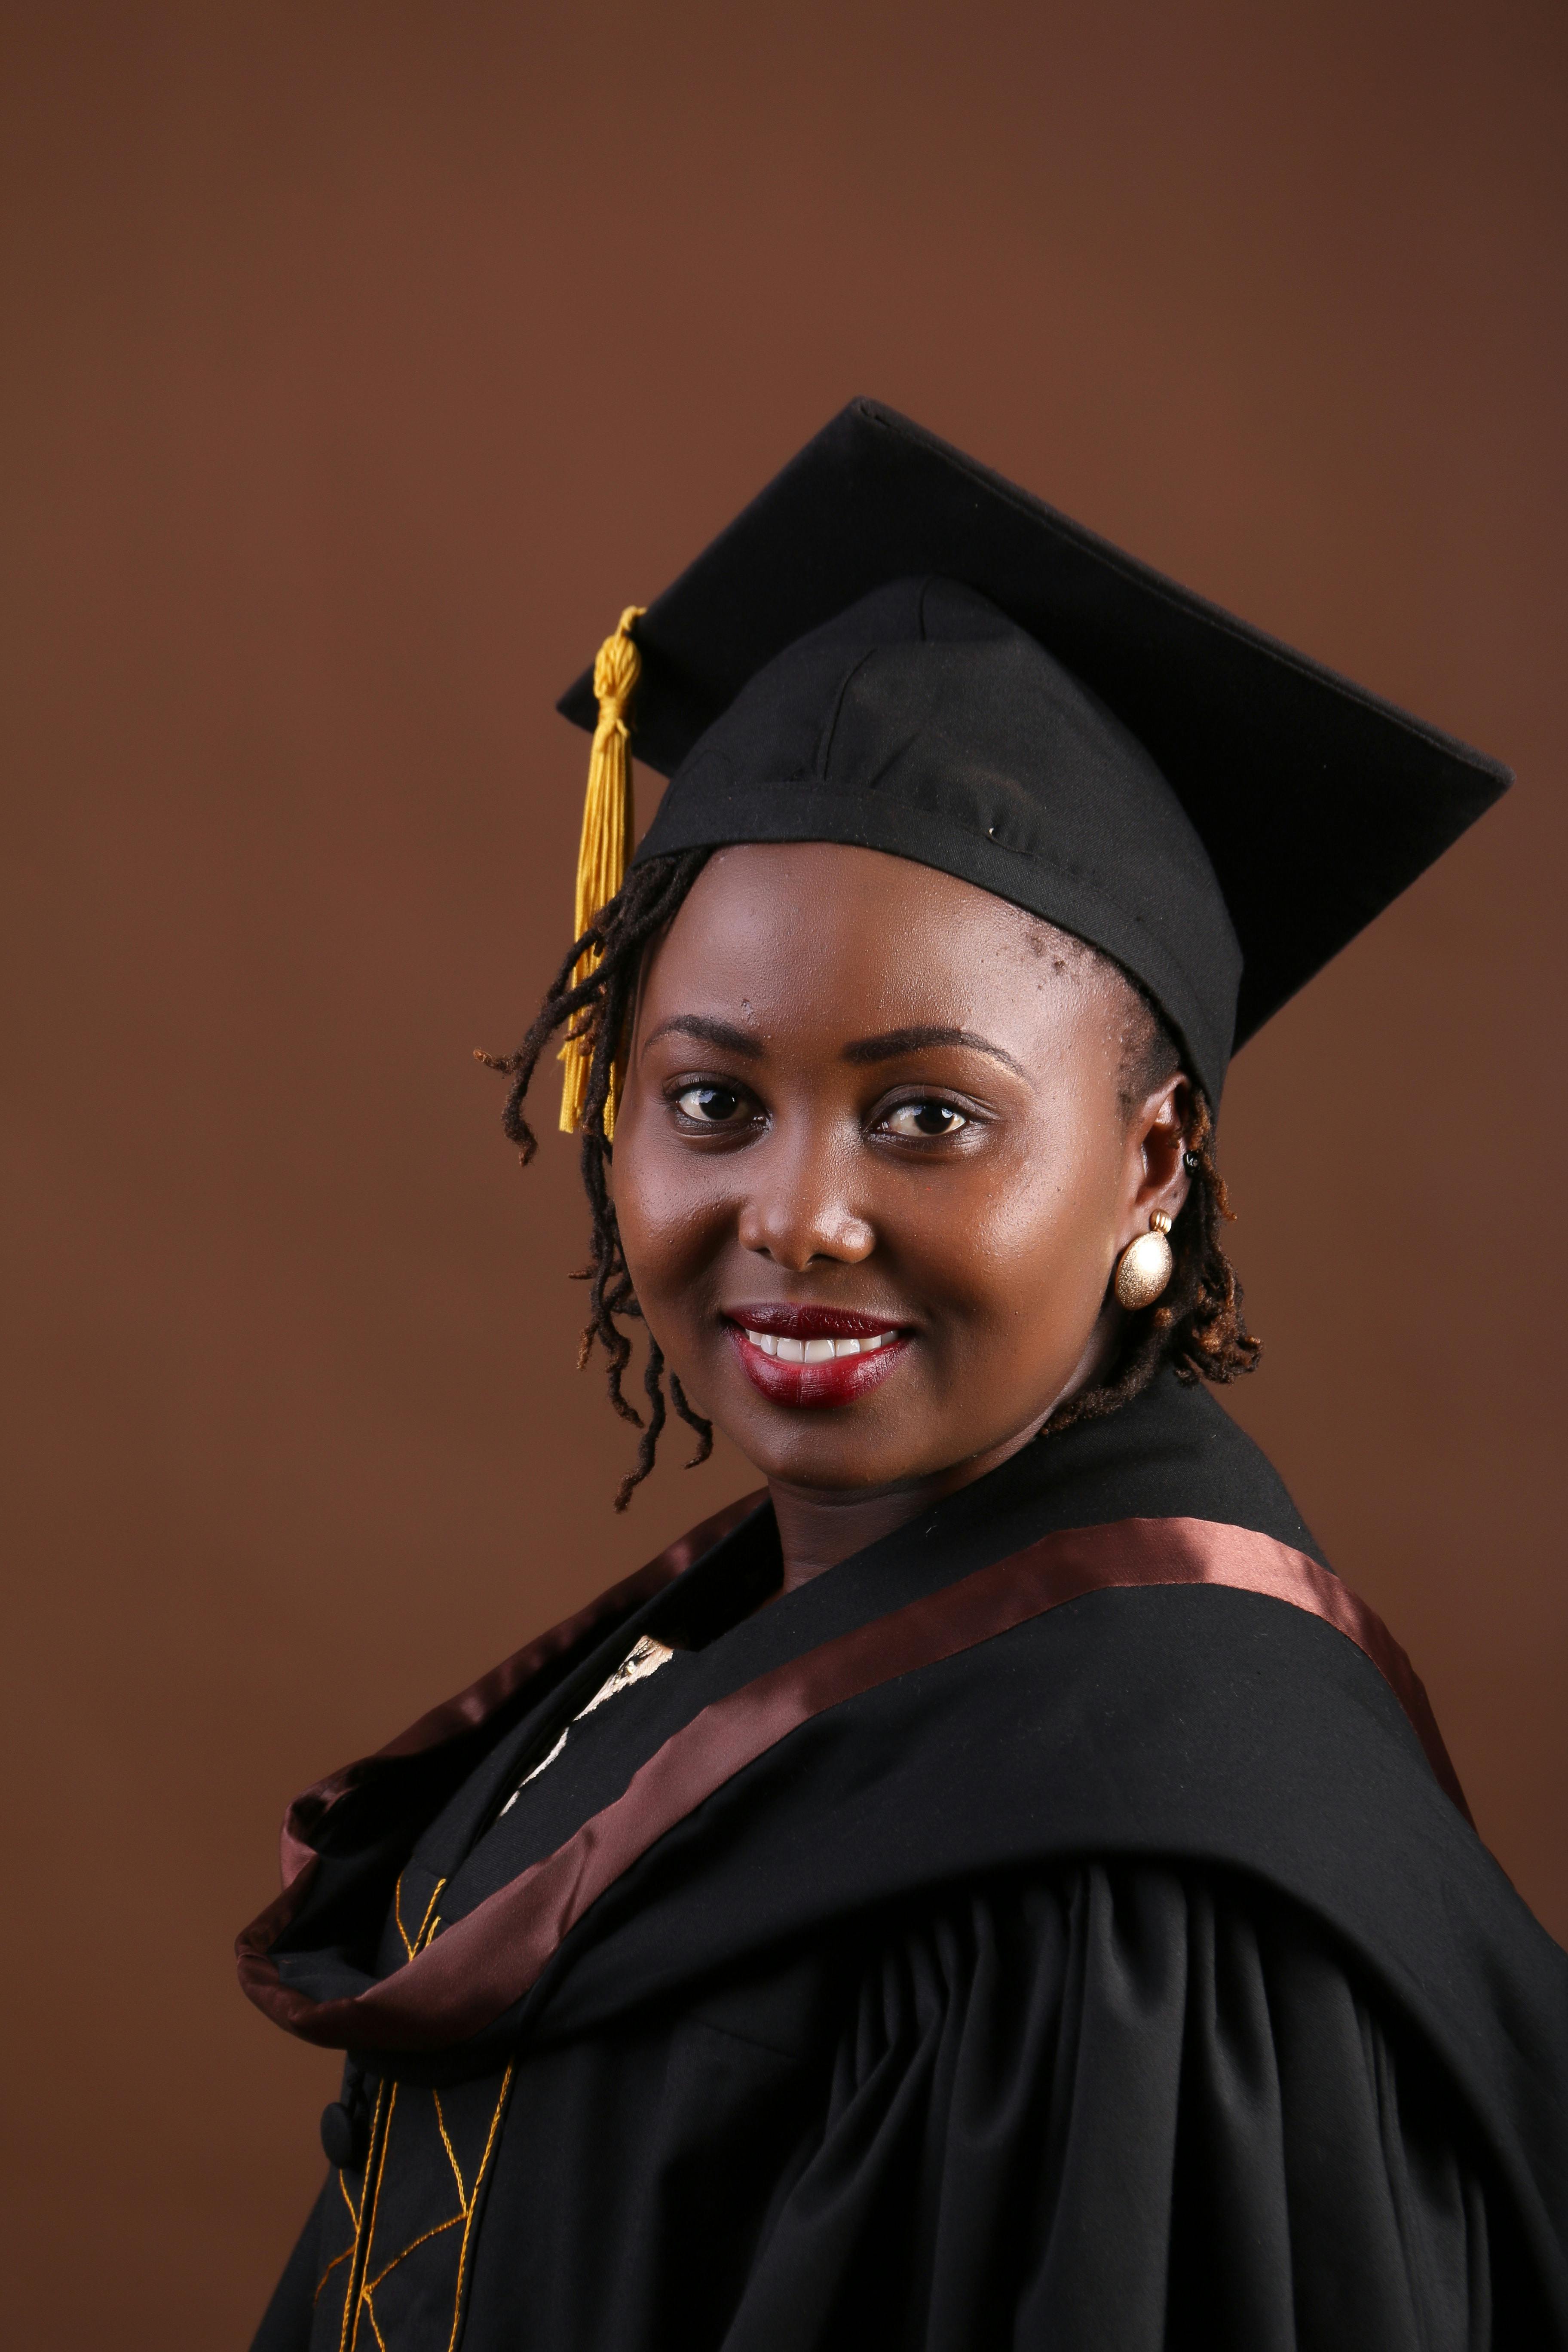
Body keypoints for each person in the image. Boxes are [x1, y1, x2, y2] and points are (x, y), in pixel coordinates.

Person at [242, 401, 1568, 2351]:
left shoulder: (1143, 1880)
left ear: (1151, 1163)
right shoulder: (750, 1639)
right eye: (712, 1100)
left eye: (928, 1116)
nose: (800, 1218)